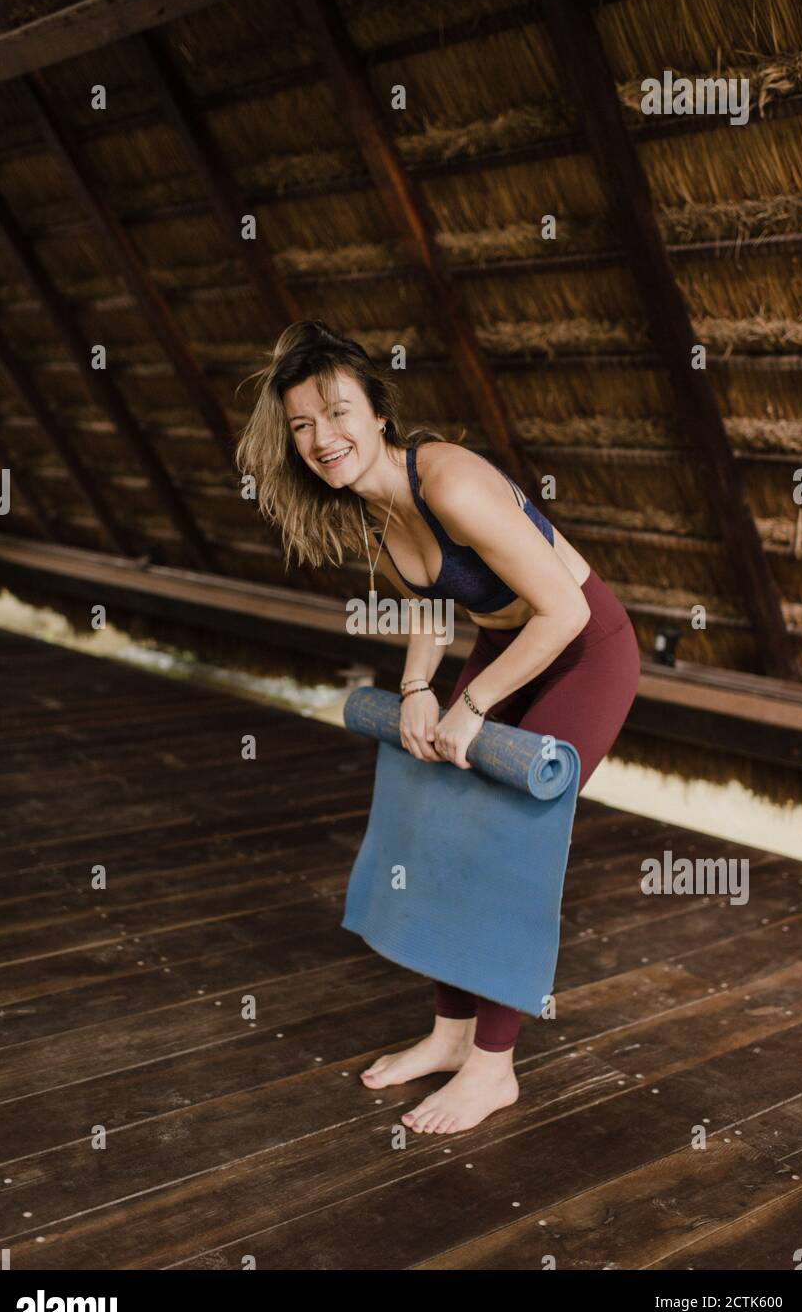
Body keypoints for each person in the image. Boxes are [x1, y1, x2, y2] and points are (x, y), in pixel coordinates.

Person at [236, 320, 640, 1134]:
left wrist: (473, 705)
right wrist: (418, 686)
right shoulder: (376, 512)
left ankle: (493, 1070)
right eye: (303, 426)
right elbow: (428, 605)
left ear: (376, 413)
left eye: (336, 413)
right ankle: (451, 1036)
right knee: (441, 832)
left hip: (584, 650)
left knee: (503, 843)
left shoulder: (449, 480)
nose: (322, 438)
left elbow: (562, 612)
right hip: (505, 648)